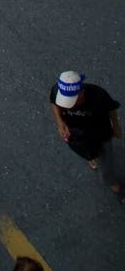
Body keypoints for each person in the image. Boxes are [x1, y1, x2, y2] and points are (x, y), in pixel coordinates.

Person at [49, 70, 123, 202]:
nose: (66, 105)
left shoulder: (98, 95)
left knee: (106, 163)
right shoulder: (58, 90)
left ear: (81, 93)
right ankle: (90, 157)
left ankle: (114, 185)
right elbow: (54, 103)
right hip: (76, 134)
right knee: (85, 152)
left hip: (100, 134)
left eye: (71, 100)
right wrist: (60, 122)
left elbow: (111, 109)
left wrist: (116, 127)